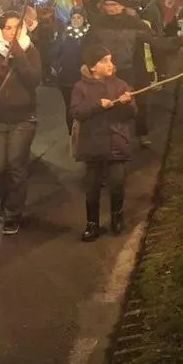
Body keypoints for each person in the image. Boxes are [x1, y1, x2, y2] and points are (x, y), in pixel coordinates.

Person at [84, 0, 183, 147]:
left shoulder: (135, 24)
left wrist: (181, 40)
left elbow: (158, 42)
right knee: (107, 104)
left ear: (122, 6)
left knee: (139, 105)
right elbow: (88, 46)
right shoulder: (97, 24)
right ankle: (110, 136)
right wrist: (89, 65)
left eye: (114, 4)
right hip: (105, 74)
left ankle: (142, 133)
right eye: (107, 4)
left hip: (131, 71)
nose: (111, 8)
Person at [0, 10, 42, 235]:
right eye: (7, 28)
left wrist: (20, 58)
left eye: (16, 27)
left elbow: (35, 80)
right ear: (0, 29)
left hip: (22, 119)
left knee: (16, 165)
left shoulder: (30, 51)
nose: (12, 32)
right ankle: (6, 199)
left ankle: (12, 213)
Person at [70, 43, 136, 243]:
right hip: (92, 144)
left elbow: (133, 113)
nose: (110, 64)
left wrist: (127, 103)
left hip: (116, 141)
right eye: (104, 61)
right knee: (92, 187)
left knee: (117, 183)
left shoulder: (120, 84)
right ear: (92, 67)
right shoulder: (80, 87)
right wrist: (98, 105)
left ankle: (117, 216)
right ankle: (92, 223)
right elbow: (77, 112)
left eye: (110, 60)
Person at [51, 8, 90, 128]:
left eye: (79, 18)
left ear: (84, 19)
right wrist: (58, 67)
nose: (76, 20)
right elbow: (53, 53)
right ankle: (72, 131)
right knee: (70, 105)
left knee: (86, 104)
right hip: (67, 78)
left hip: (85, 77)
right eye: (73, 18)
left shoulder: (90, 35)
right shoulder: (64, 34)